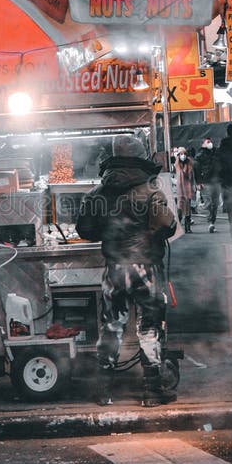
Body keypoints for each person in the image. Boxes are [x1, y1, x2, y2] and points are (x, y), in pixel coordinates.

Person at [75, 134, 177, 407]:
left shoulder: (96, 195)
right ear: (140, 157)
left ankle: (103, 390)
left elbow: (84, 230)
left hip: (114, 270)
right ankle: (152, 391)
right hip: (146, 267)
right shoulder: (151, 191)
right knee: (150, 327)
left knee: (111, 327)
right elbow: (168, 226)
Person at [194, 137, 221, 232]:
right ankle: (210, 221)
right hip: (205, 182)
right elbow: (196, 169)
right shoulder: (200, 156)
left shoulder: (215, 153)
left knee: (215, 203)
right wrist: (198, 182)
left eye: (211, 141)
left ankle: (212, 222)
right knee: (209, 202)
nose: (210, 143)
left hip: (216, 181)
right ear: (203, 144)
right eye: (208, 142)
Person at [174, 146, 196, 233]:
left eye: (184, 154)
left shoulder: (190, 163)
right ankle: (178, 227)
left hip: (188, 189)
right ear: (178, 155)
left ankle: (188, 227)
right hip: (180, 190)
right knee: (179, 208)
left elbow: (192, 176)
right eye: (181, 154)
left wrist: (194, 185)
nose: (183, 156)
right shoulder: (176, 164)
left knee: (188, 208)